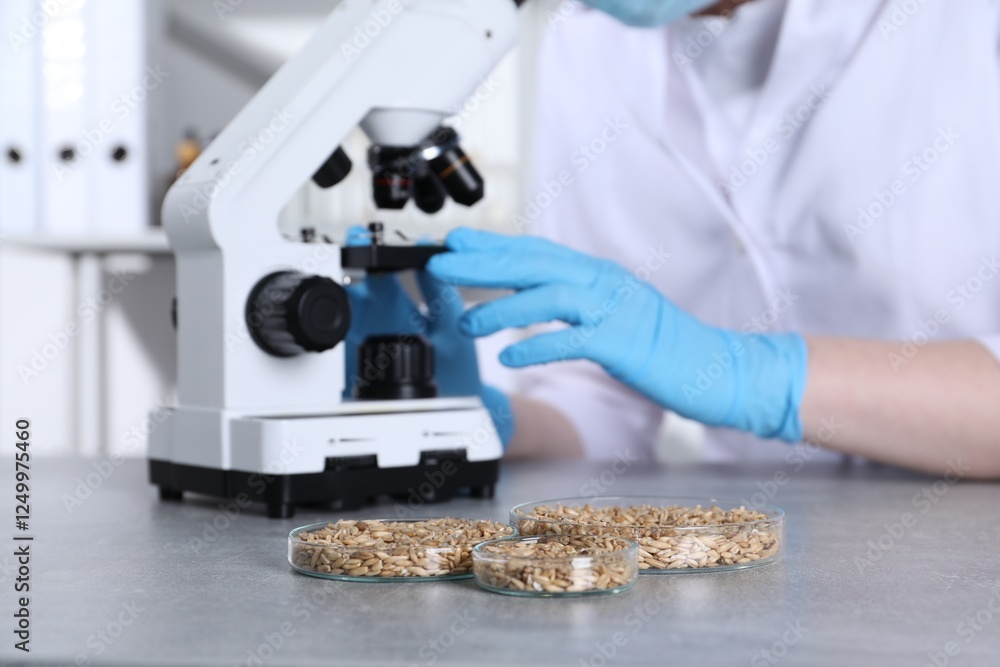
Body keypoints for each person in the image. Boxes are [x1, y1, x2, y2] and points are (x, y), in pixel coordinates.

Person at [347, 0, 1000, 479]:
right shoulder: (588, 39)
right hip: (761, 561)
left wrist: (756, 379)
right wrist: (475, 424)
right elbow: (602, 400)